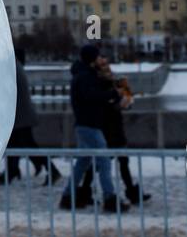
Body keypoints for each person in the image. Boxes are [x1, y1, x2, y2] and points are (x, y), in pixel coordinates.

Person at [59, 44, 128, 213]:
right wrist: (113, 94)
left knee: (83, 162)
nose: (100, 59)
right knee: (104, 160)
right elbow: (91, 97)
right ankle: (109, 198)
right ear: (92, 59)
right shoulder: (85, 77)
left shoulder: (84, 75)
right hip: (89, 125)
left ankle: (68, 197)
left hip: (85, 125)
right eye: (98, 56)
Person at [81, 56, 151, 205]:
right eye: (104, 67)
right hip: (107, 129)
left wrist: (126, 97)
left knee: (118, 162)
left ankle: (86, 191)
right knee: (101, 163)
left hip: (116, 129)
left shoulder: (113, 83)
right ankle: (87, 191)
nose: (108, 69)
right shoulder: (100, 85)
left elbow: (124, 104)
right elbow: (104, 104)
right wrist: (117, 100)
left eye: (108, 66)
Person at [0, 48, 62, 186]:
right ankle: (12, 172)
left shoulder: (11, 68)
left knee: (28, 146)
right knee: (14, 145)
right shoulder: (15, 66)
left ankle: (52, 170)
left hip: (20, 117)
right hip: (20, 116)